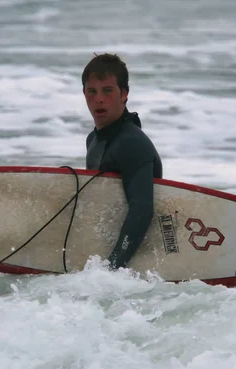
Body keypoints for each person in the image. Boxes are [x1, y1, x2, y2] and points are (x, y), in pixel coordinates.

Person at [82, 53, 163, 270]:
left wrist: (114, 266)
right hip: (107, 248)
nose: (99, 99)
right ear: (84, 94)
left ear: (124, 94)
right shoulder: (94, 139)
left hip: (134, 258)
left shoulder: (132, 143)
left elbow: (142, 210)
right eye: (92, 91)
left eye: (107, 91)